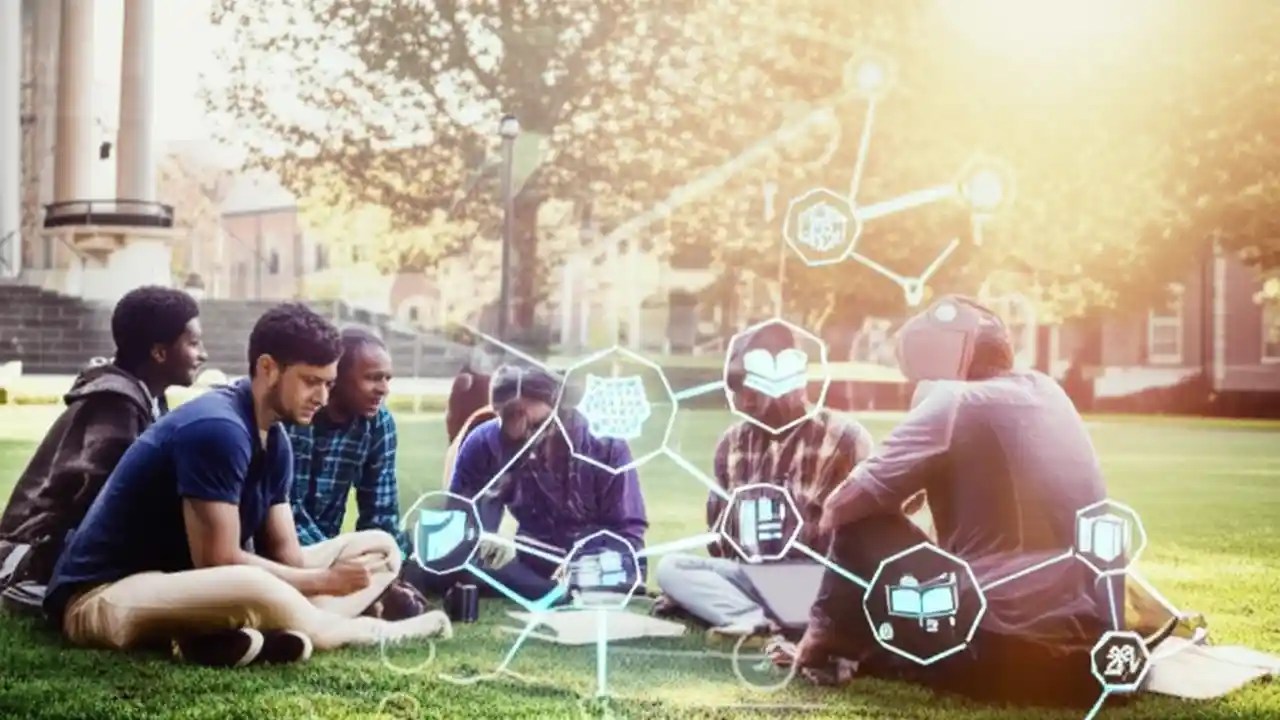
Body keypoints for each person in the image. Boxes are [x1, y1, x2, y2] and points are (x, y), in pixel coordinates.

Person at [43, 303, 450, 668]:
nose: (322, 398)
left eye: (328, 383)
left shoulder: (276, 439)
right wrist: (326, 581)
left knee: (380, 547)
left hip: (190, 588)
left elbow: (287, 553)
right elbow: (218, 560)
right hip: (102, 597)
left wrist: (335, 572)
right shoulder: (218, 429)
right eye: (311, 381)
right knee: (253, 583)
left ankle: (240, 635)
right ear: (268, 368)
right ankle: (359, 630)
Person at [789, 295, 1115, 707]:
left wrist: (893, 500)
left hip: (993, 649)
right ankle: (865, 646)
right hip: (1085, 650)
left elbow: (842, 507)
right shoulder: (1049, 392)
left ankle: (824, 645)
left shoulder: (953, 402)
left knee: (861, 524)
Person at [654, 323, 874, 636]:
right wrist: (707, 587)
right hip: (754, 578)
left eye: (753, 389)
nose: (744, 402)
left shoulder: (845, 438)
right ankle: (753, 622)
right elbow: (720, 539)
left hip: (819, 583)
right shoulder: (731, 444)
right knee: (671, 568)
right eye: (738, 390)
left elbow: (872, 535)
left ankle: (764, 617)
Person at [0, 286, 206, 600]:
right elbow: (108, 501)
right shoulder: (115, 402)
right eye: (193, 343)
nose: (203, 354)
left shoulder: (148, 397)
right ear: (159, 352)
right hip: (36, 552)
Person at [445, 364, 649, 604]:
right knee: (455, 568)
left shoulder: (606, 445)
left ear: (562, 411)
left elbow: (628, 537)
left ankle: (555, 592)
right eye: (513, 423)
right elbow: (458, 531)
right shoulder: (484, 444)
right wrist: (483, 541)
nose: (529, 440)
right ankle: (552, 592)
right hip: (532, 560)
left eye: (539, 426)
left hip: (602, 562)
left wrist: (580, 562)